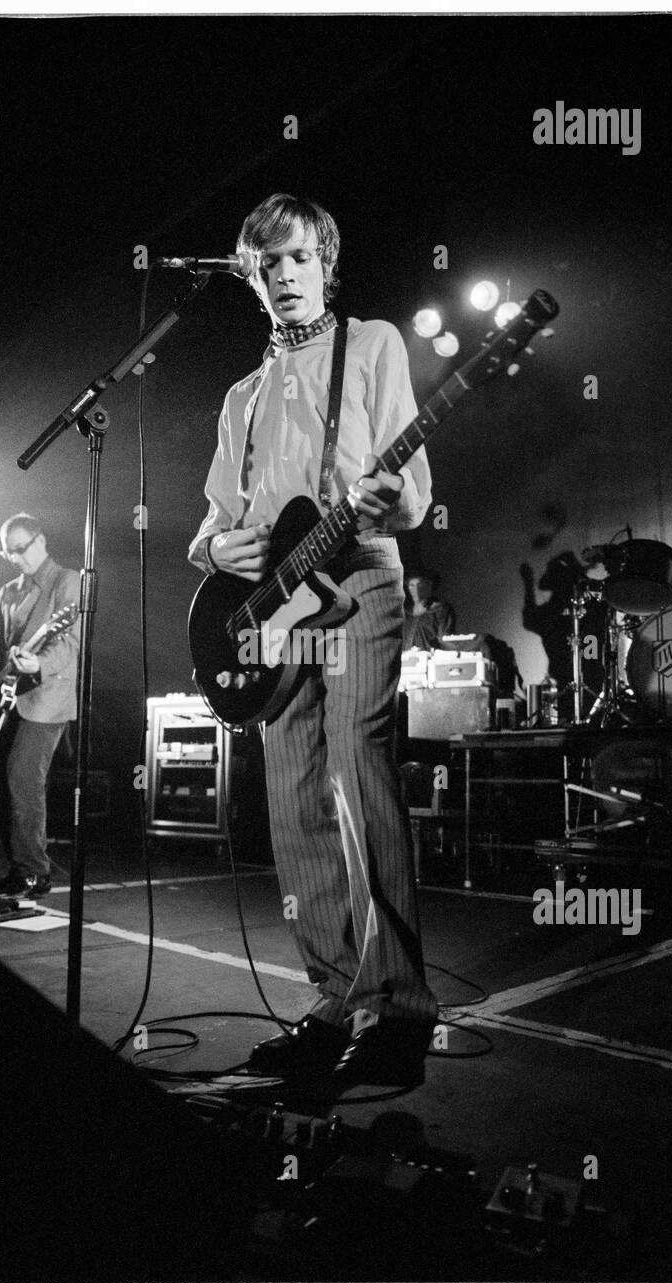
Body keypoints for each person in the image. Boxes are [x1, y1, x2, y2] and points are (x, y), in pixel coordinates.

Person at [189, 193, 438, 1087]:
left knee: (354, 772)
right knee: (291, 799)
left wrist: (387, 499)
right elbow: (209, 528)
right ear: (250, 279)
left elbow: (410, 496)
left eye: (299, 259)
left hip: (360, 578)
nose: (285, 276)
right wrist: (221, 546)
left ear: (326, 263)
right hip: (270, 609)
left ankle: (398, 1009)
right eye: (268, 265)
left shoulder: (373, 345)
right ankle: (333, 1000)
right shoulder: (241, 397)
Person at [0, 514, 80, 897]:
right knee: (0, 784)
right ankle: (20, 867)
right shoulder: (8, 590)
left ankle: (34, 871)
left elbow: (69, 643)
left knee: (22, 777)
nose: (17, 557)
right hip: (8, 697)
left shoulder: (69, 582)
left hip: (47, 699)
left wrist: (40, 664)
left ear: (42, 540)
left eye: (22, 547)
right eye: (8, 552)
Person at [402, 567, 457, 651]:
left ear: (429, 585)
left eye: (420, 585)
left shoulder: (441, 610)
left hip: (430, 660)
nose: (416, 590)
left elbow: (446, 642)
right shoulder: (403, 613)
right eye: (411, 585)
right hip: (406, 661)